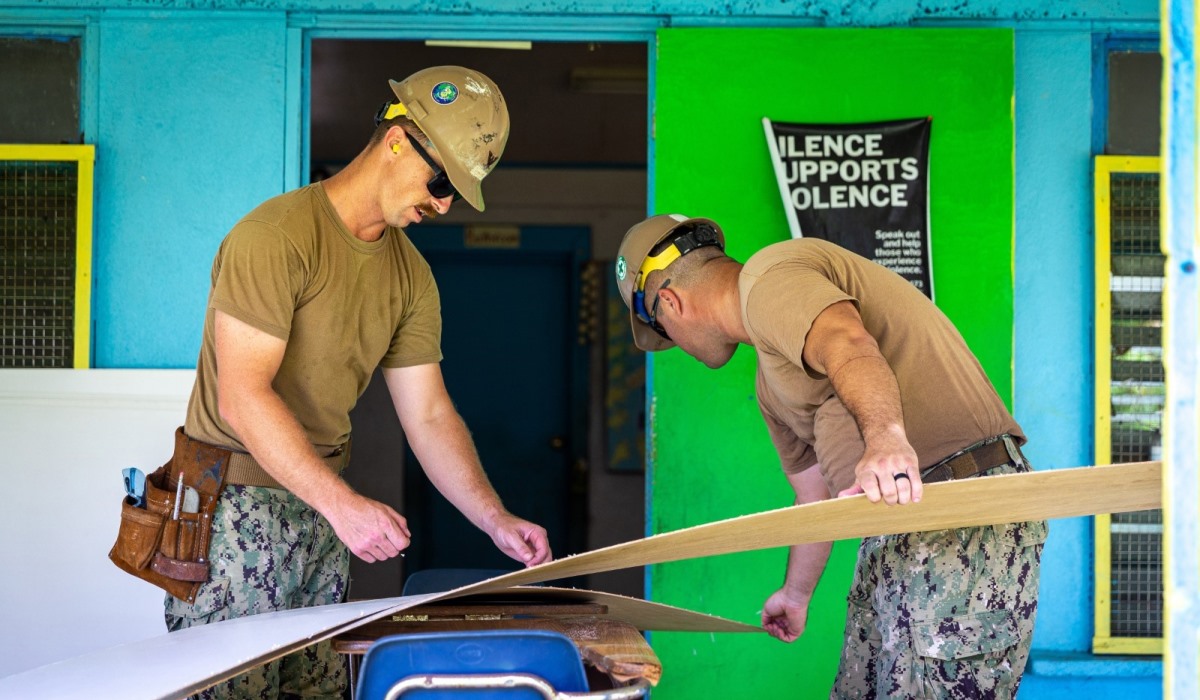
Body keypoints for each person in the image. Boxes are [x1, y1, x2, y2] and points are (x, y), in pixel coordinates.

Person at [168, 66, 553, 698]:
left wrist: (493, 517)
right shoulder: (274, 238)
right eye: (441, 181)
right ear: (399, 138)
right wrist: (343, 506)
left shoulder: (412, 278)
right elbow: (242, 395)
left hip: (321, 512)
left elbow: (428, 414)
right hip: (230, 511)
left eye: (457, 190)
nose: (443, 204)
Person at [614, 214, 1047, 698]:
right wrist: (796, 594)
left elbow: (847, 341)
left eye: (663, 331)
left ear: (670, 303)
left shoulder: (771, 275)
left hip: (959, 512)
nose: (676, 346)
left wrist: (884, 439)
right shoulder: (770, 384)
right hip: (894, 530)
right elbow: (812, 495)